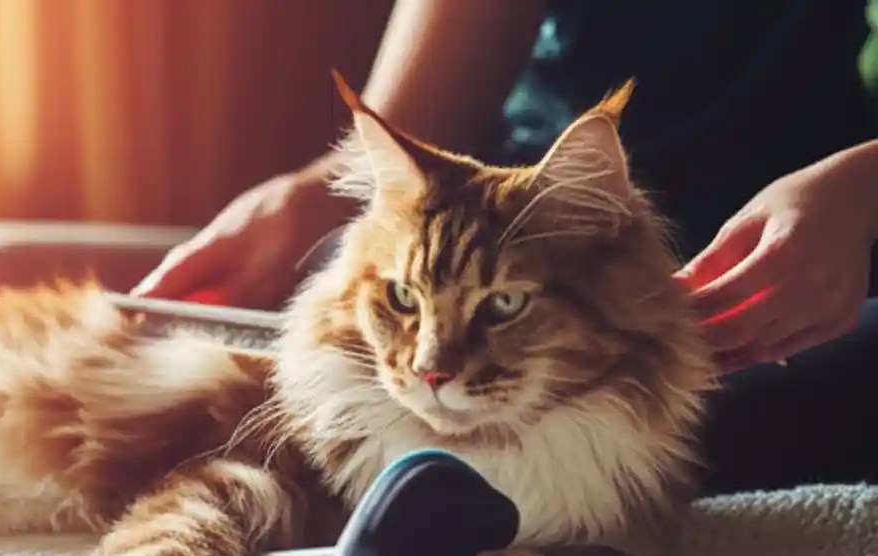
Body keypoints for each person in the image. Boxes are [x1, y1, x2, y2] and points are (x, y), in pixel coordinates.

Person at [132, 0, 878, 495]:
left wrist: (861, 187)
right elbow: (402, 128)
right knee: (21, 270)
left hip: (791, 273)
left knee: (661, 432)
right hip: (498, 222)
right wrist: (318, 193)